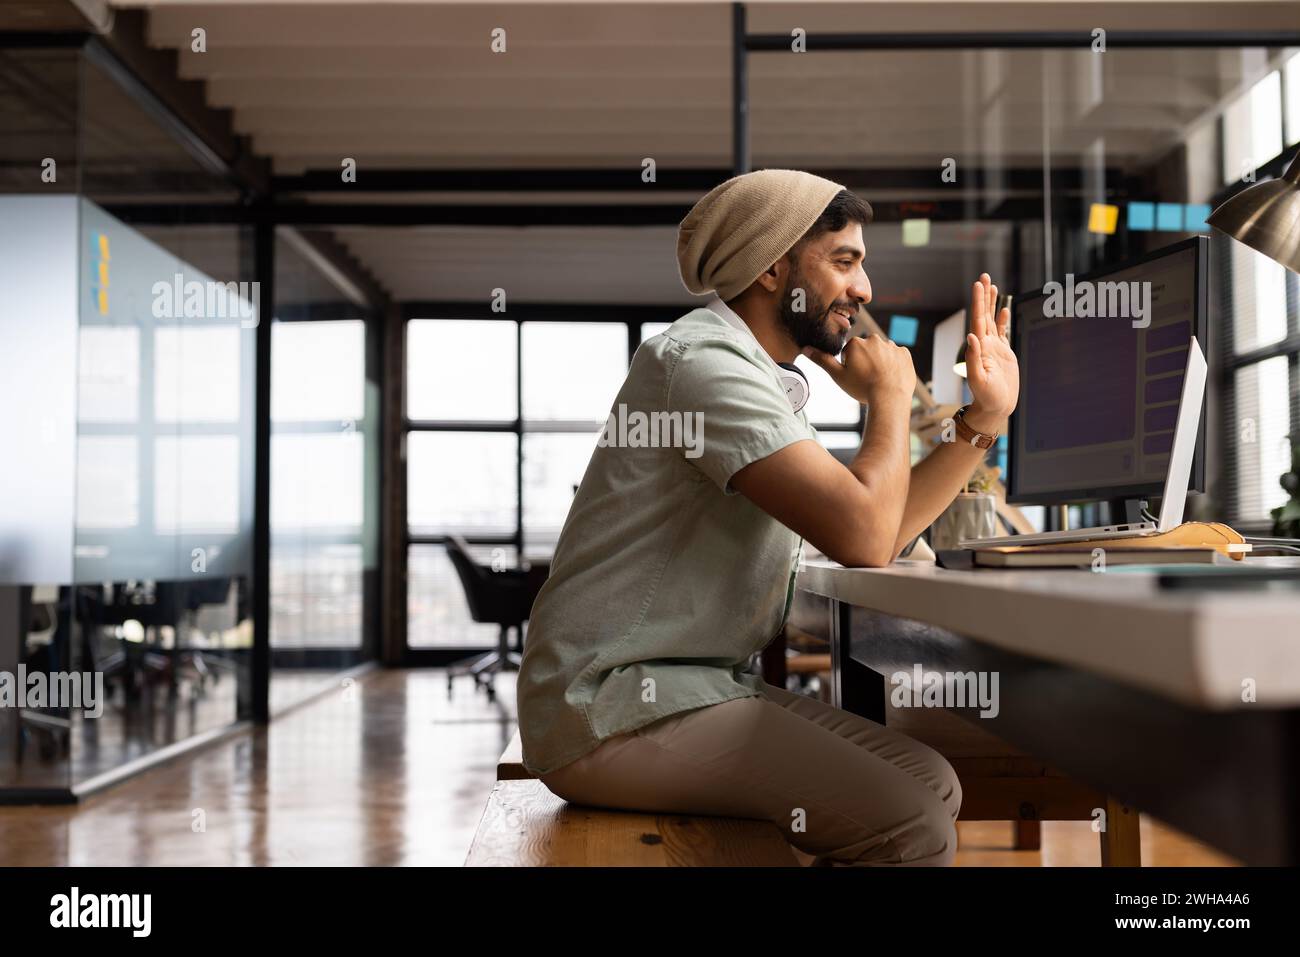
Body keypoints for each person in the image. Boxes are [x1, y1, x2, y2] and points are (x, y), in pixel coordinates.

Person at [516, 168, 1019, 865]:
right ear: (773, 266)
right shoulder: (698, 364)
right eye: (844, 261)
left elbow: (881, 524)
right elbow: (868, 537)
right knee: (912, 824)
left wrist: (981, 421)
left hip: (684, 690)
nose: (865, 290)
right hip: (604, 707)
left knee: (934, 781)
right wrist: (890, 397)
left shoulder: (756, 379)